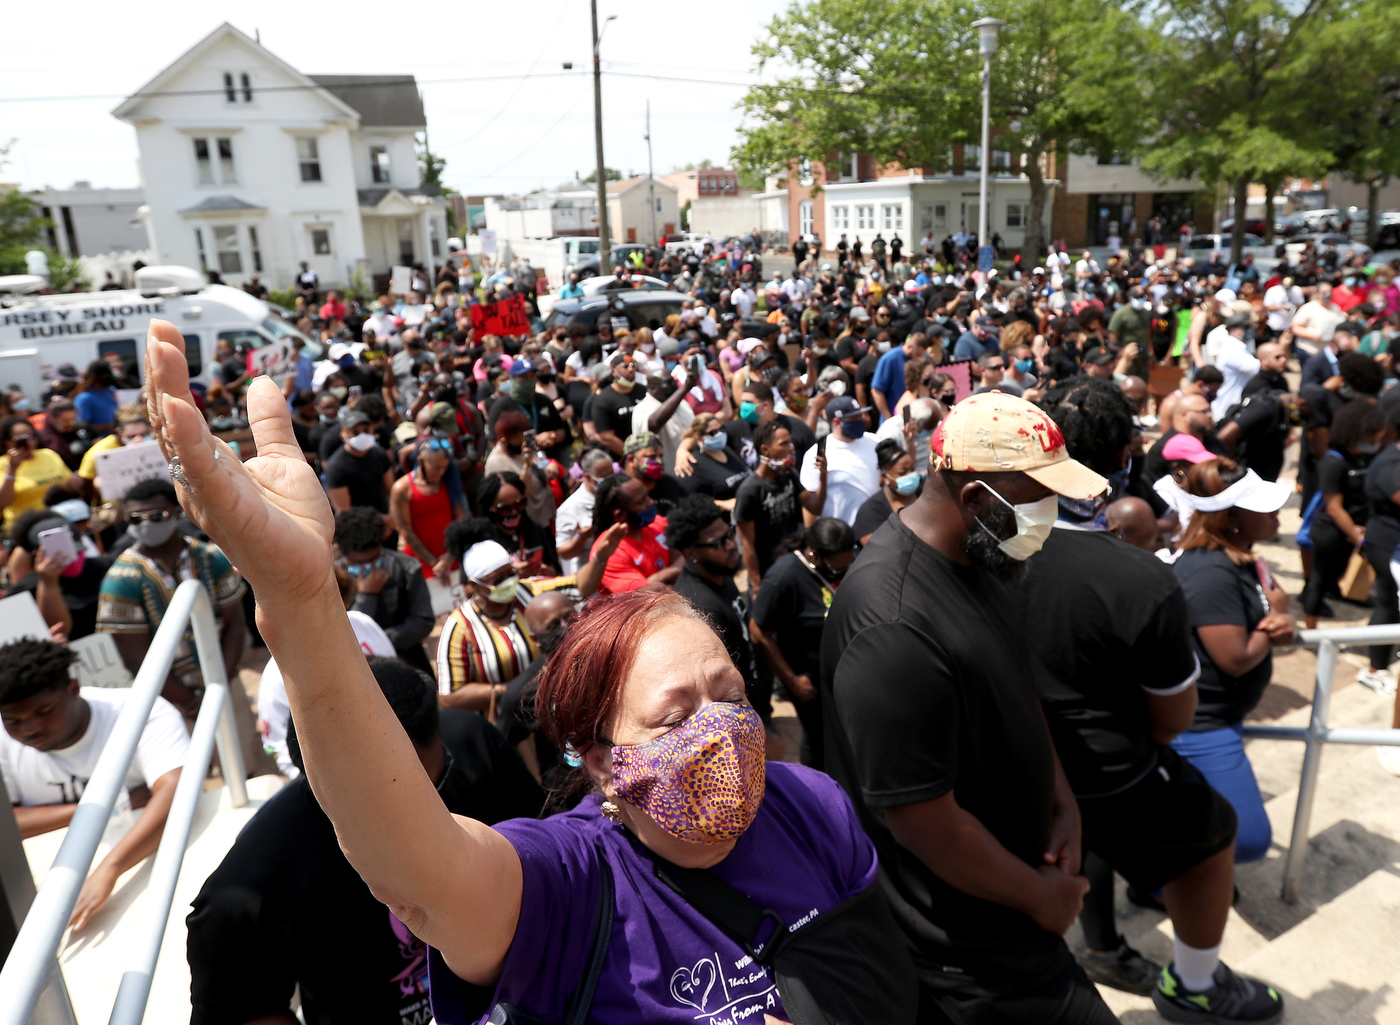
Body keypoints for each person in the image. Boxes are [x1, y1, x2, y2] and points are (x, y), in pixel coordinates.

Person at [138, 320, 917, 1025]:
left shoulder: (812, 807)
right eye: (675, 715)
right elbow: (422, 870)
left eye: (730, 695)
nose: (720, 727)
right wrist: (303, 607)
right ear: (603, 760)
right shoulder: (566, 886)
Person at [821, 390, 1122, 1025]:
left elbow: (1015, 683)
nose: (1052, 514)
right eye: (1041, 497)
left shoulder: (982, 554)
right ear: (979, 498)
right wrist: (1042, 898)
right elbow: (921, 819)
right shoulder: (892, 626)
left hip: (1011, 894)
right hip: (965, 950)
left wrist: (1062, 801)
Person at [1021, 379, 1283, 1022]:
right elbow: (1172, 720)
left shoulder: (987, 546)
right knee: (1213, 836)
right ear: (1125, 459)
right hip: (1107, 770)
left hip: (1015, 760)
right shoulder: (1142, 577)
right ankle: (1194, 986)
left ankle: (1110, 937)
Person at [191, 657, 545, 1025]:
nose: (423, 823)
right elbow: (241, 1011)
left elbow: (545, 858)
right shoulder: (248, 888)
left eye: (435, 791)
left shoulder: (474, 745)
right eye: (394, 806)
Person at [0, 637, 188, 931]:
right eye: (13, 721)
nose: (30, 728)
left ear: (73, 689)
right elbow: (7, 826)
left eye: (44, 711)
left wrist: (109, 869)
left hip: (137, 865)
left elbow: (180, 794)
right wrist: (106, 806)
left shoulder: (141, 711)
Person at [1173, 458, 1295, 866]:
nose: (1277, 513)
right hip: (1202, 725)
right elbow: (1236, 659)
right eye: (1265, 508)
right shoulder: (1211, 573)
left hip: (1226, 716)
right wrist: (1278, 620)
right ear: (1231, 519)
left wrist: (1277, 615)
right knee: (1249, 839)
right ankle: (1160, 884)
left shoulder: (1238, 557)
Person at [96, 478, 245, 720]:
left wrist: (218, 685)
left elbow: (235, 624)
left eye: (156, 516)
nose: (146, 525)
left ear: (177, 512)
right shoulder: (120, 579)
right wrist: (189, 700)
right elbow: (135, 658)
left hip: (226, 685)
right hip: (172, 704)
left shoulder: (211, 558)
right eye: (135, 519)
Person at [258, 565, 397, 777]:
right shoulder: (277, 676)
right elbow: (281, 751)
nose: (319, 610)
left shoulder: (363, 623)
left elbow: (396, 681)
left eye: (327, 597)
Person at [668, 495, 777, 752]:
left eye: (729, 534)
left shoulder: (720, 573)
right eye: (718, 542)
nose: (730, 545)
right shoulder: (700, 609)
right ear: (690, 552)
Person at [750, 517, 855, 769]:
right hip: (811, 684)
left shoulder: (848, 559)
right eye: (835, 569)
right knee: (820, 740)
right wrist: (792, 680)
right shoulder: (784, 577)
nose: (841, 572)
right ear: (814, 555)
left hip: (847, 676)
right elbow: (758, 632)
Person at [1300, 400, 1383, 630]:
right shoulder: (1333, 462)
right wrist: (1357, 537)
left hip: (1353, 531)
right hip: (1331, 532)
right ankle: (1310, 630)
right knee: (1318, 581)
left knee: (1335, 577)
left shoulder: (1362, 458)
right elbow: (1334, 507)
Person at [436, 536, 539, 716]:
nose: (507, 582)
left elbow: (578, 585)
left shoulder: (529, 593)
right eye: (497, 580)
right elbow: (448, 697)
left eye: (510, 574)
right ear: (474, 585)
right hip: (503, 723)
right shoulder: (459, 626)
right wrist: (510, 691)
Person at [333, 506, 435, 676]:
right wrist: (366, 596)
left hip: (409, 663)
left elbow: (423, 621)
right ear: (343, 552)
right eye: (359, 564)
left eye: (375, 559)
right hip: (357, 670)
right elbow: (346, 634)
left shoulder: (406, 568)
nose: (369, 568)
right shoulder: (333, 579)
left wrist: (381, 641)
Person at [734, 419, 827, 589]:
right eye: (784, 444)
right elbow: (747, 544)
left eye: (790, 442)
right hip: (770, 572)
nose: (791, 448)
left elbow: (815, 507)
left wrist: (823, 479)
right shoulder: (749, 491)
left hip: (795, 563)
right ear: (765, 450)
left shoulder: (788, 475)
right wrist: (756, 586)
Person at [588, 473, 680, 594]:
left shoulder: (656, 523)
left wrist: (655, 580)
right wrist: (674, 571)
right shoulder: (609, 551)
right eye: (642, 501)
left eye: (647, 496)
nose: (651, 502)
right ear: (620, 515)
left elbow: (689, 551)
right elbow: (641, 595)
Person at [390, 437, 467, 581]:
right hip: (421, 561)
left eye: (444, 467)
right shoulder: (402, 489)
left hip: (450, 556)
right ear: (421, 461)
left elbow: (460, 519)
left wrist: (449, 556)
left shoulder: (449, 482)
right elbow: (405, 531)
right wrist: (435, 563)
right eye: (436, 468)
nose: (441, 472)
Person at [798, 396, 879, 524]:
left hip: (875, 525)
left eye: (860, 415)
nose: (860, 420)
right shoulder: (817, 453)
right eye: (854, 417)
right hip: (841, 529)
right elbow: (809, 502)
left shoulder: (874, 441)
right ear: (836, 422)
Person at [1, 415, 76, 530]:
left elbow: (69, 483)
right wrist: (12, 470)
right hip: (27, 527)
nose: (28, 442)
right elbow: (3, 502)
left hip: (62, 519)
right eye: (21, 439)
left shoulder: (48, 454)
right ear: (7, 442)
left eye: (31, 436)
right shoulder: (3, 464)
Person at [555, 448, 613, 575]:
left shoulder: (616, 495)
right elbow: (564, 553)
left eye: (611, 474)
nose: (609, 481)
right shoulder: (570, 508)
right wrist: (580, 538)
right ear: (588, 476)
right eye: (603, 477)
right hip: (588, 573)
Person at [324, 410, 394, 514]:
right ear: (343, 436)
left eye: (366, 430)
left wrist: (393, 515)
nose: (362, 435)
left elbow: (390, 492)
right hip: (358, 521)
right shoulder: (336, 467)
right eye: (355, 432)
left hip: (384, 515)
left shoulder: (379, 454)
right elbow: (344, 511)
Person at [852, 438, 920, 545]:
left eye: (912, 469)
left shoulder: (924, 494)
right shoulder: (870, 511)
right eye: (902, 473)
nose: (910, 475)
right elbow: (875, 548)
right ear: (885, 477)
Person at [679, 414, 750, 512]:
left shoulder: (728, 449)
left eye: (722, 429)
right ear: (700, 438)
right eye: (713, 432)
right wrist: (724, 504)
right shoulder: (694, 464)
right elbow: (690, 503)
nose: (720, 434)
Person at [621, 431, 689, 521]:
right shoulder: (621, 494)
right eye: (651, 457)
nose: (659, 461)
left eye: (661, 456)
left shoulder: (671, 484)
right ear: (631, 460)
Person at [72, 359, 120, 436]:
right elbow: (83, 427)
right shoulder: (84, 398)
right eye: (106, 376)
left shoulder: (111, 390)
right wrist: (110, 426)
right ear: (97, 377)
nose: (109, 378)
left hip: (116, 437)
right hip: (98, 440)